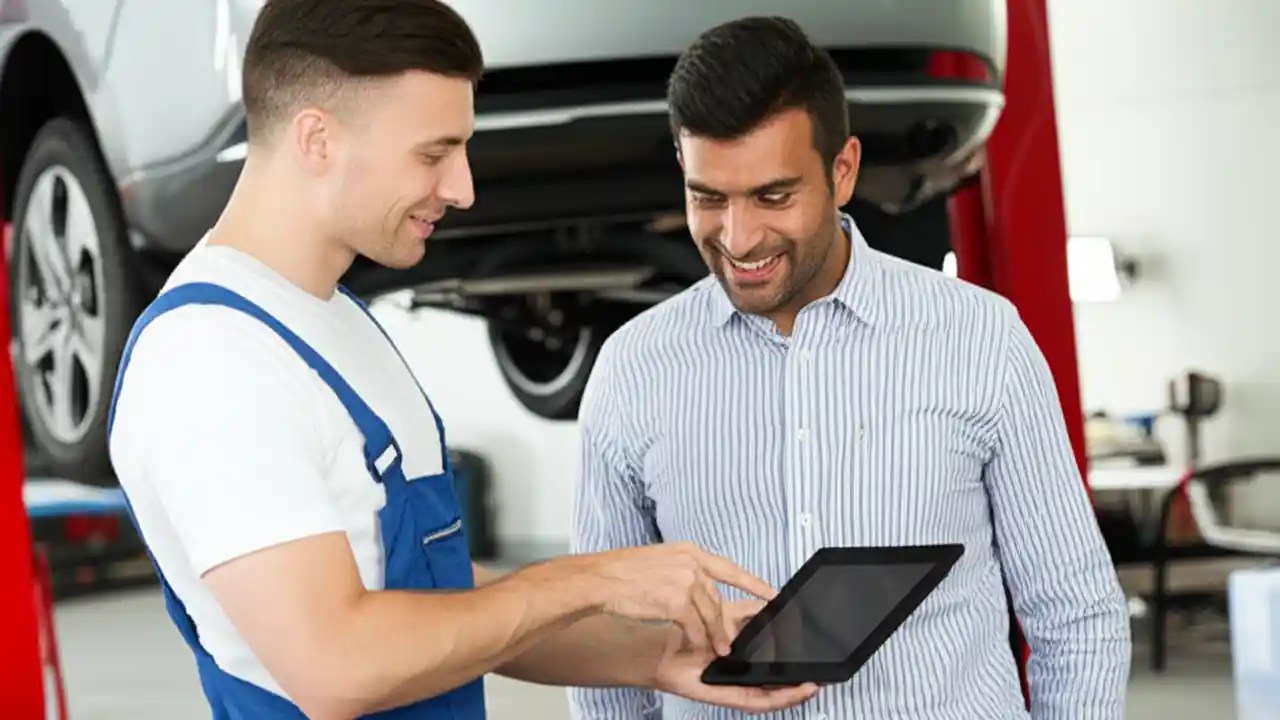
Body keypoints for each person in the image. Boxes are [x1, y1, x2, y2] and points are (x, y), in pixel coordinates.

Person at [106, 2, 822, 718]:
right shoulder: (211, 361)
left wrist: (660, 656)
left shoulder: (331, 319)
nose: (463, 188)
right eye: (433, 153)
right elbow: (337, 665)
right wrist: (590, 580)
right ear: (316, 139)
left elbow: (439, 598)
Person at [569, 15, 1132, 720]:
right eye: (710, 198)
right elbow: (606, 659)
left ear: (843, 170)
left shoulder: (978, 338)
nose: (739, 238)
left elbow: (1075, 616)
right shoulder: (634, 371)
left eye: (774, 196)